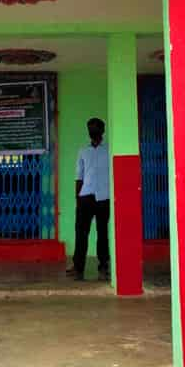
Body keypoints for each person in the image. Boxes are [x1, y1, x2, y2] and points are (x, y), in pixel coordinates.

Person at [67, 118, 111, 281]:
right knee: (81, 233)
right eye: (90, 128)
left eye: (95, 127)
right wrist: (77, 198)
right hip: (85, 197)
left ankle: (103, 266)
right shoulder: (83, 151)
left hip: (104, 197)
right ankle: (78, 267)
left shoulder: (109, 150)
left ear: (102, 130)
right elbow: (79, 176)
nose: (92, 130)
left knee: (102, 233)